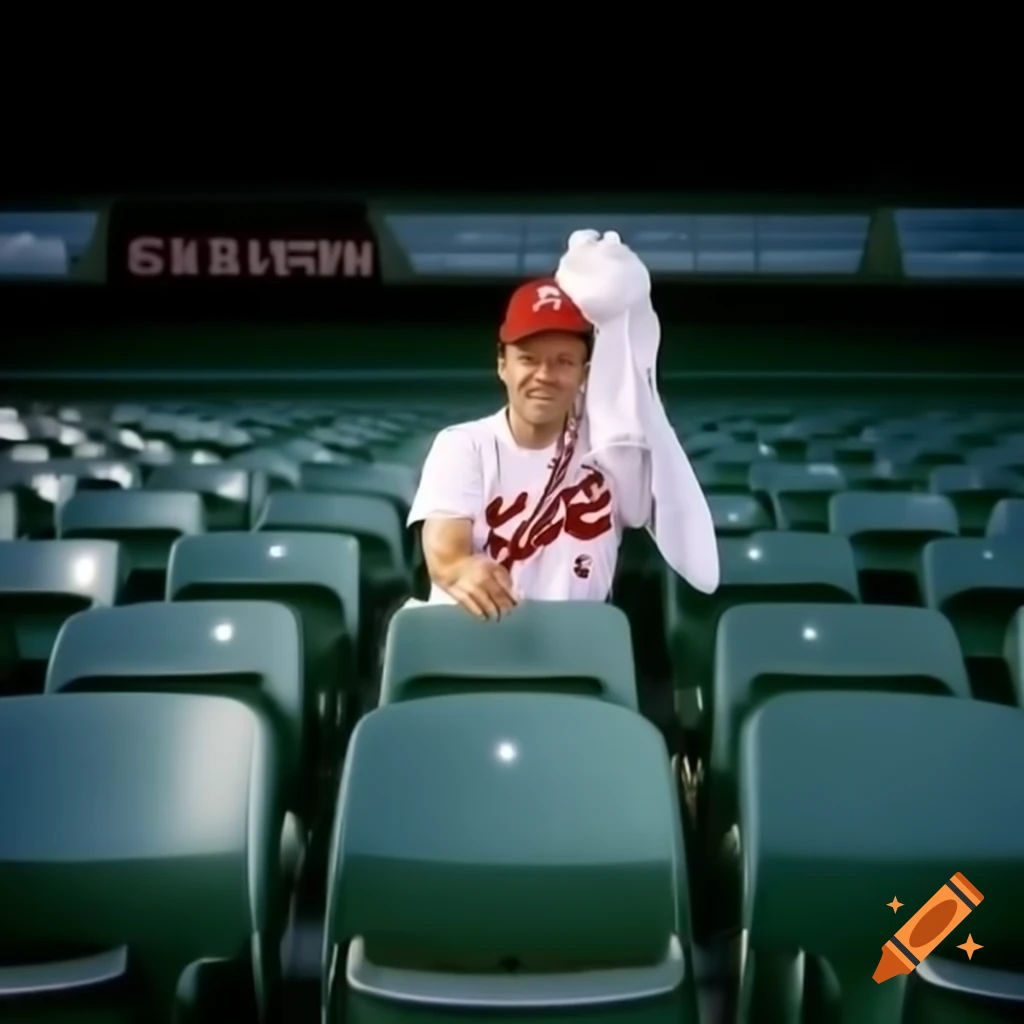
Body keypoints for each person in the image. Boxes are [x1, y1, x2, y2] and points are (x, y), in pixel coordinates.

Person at [406, 276, 653, 620]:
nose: (544, 375)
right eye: (528, 359)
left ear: (585, 374)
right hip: (478, 637)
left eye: (563, 361)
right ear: (502, 364)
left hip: (580, 646)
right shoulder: (464, 445)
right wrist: (460, 568)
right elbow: (446, 555)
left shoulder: (613, 452)